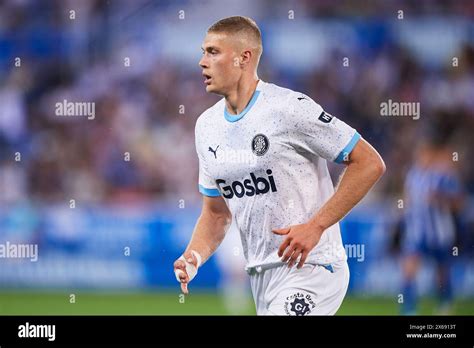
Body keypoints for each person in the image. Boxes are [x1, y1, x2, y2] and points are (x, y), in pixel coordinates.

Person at [173, 16, 385, 315]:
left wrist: (316, 226)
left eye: (213, 52)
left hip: (313, 267)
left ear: (243, 58)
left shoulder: (288, 108)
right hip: (262, 275)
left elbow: (369, 163)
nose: (201, 62)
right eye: (203, 52)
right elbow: (216, 213)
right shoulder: (206, 126)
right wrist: (193, 256)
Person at [401, 135, 464, 315]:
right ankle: (409, 309)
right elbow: (407, 199)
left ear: (432, 155)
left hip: (440, 233)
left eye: (426, 154)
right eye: (420, 153)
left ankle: (445, 304)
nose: (422, 157)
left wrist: (441, 197)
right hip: (416, 232)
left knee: (441, 272)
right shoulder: (412, 174)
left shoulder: (443, 176)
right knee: (409, 268)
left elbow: (459, 203)